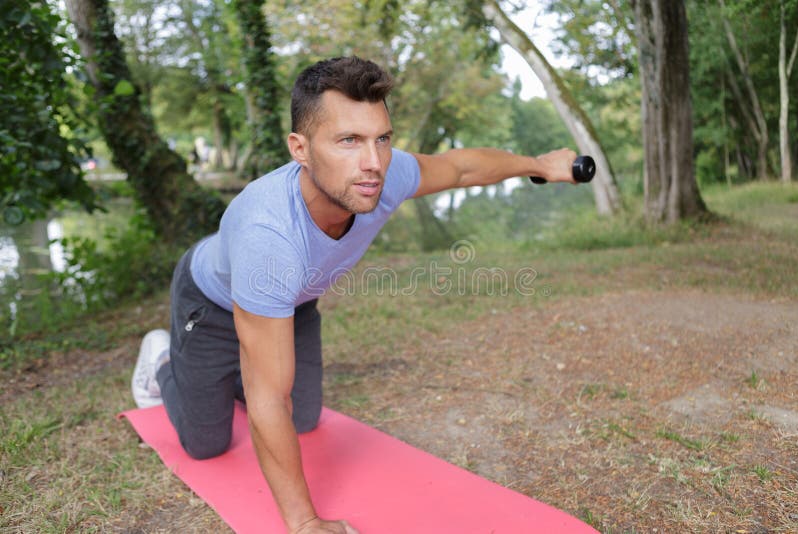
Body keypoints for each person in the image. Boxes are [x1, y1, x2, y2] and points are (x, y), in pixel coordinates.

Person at [131, 56, 577, 534]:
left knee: (303, 420)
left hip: (290, 302)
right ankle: (161, 361)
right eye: (348, 141)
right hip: (212, 301)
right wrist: (304, 523)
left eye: (381, 138)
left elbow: (461, 168)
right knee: (206, 442)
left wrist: (539, 165)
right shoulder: (268, 234)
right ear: (299, 148)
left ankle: (243, 364)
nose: (373, 163)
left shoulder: (383, 175)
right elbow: (268, 400)